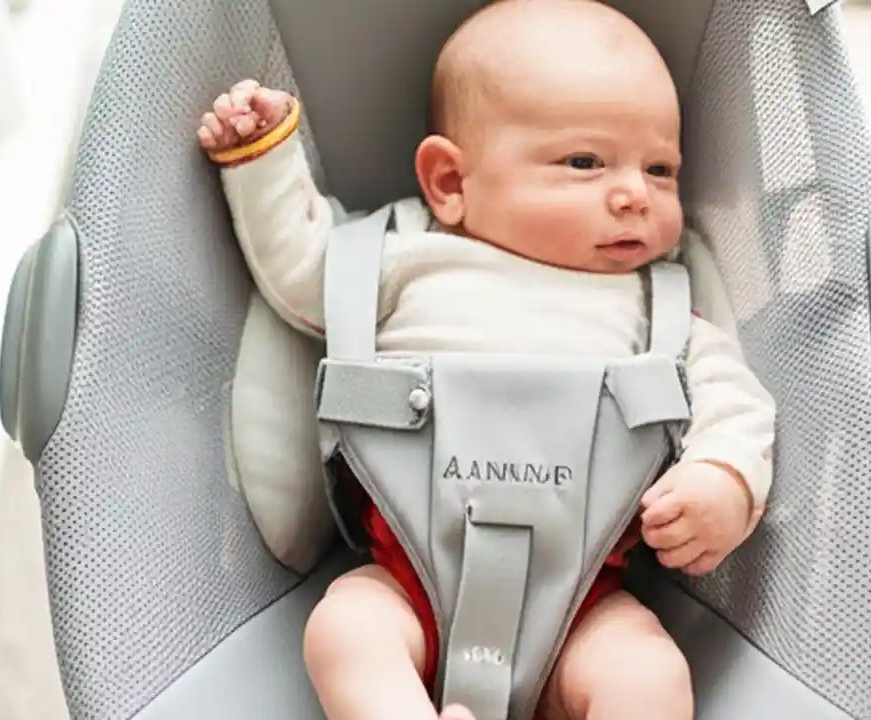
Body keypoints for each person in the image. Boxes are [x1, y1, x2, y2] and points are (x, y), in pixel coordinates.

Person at [197, 2, 775, 718]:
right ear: (450, 183)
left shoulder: (660, 309)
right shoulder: (405, 260)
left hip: (582, 605)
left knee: (649, 676)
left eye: (661, 169)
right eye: (585, 162)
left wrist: (724, 481)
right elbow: (302, 270)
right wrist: (263, 160)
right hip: (407, 580)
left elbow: (735, 403)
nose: (634, 195)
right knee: (344, 631)